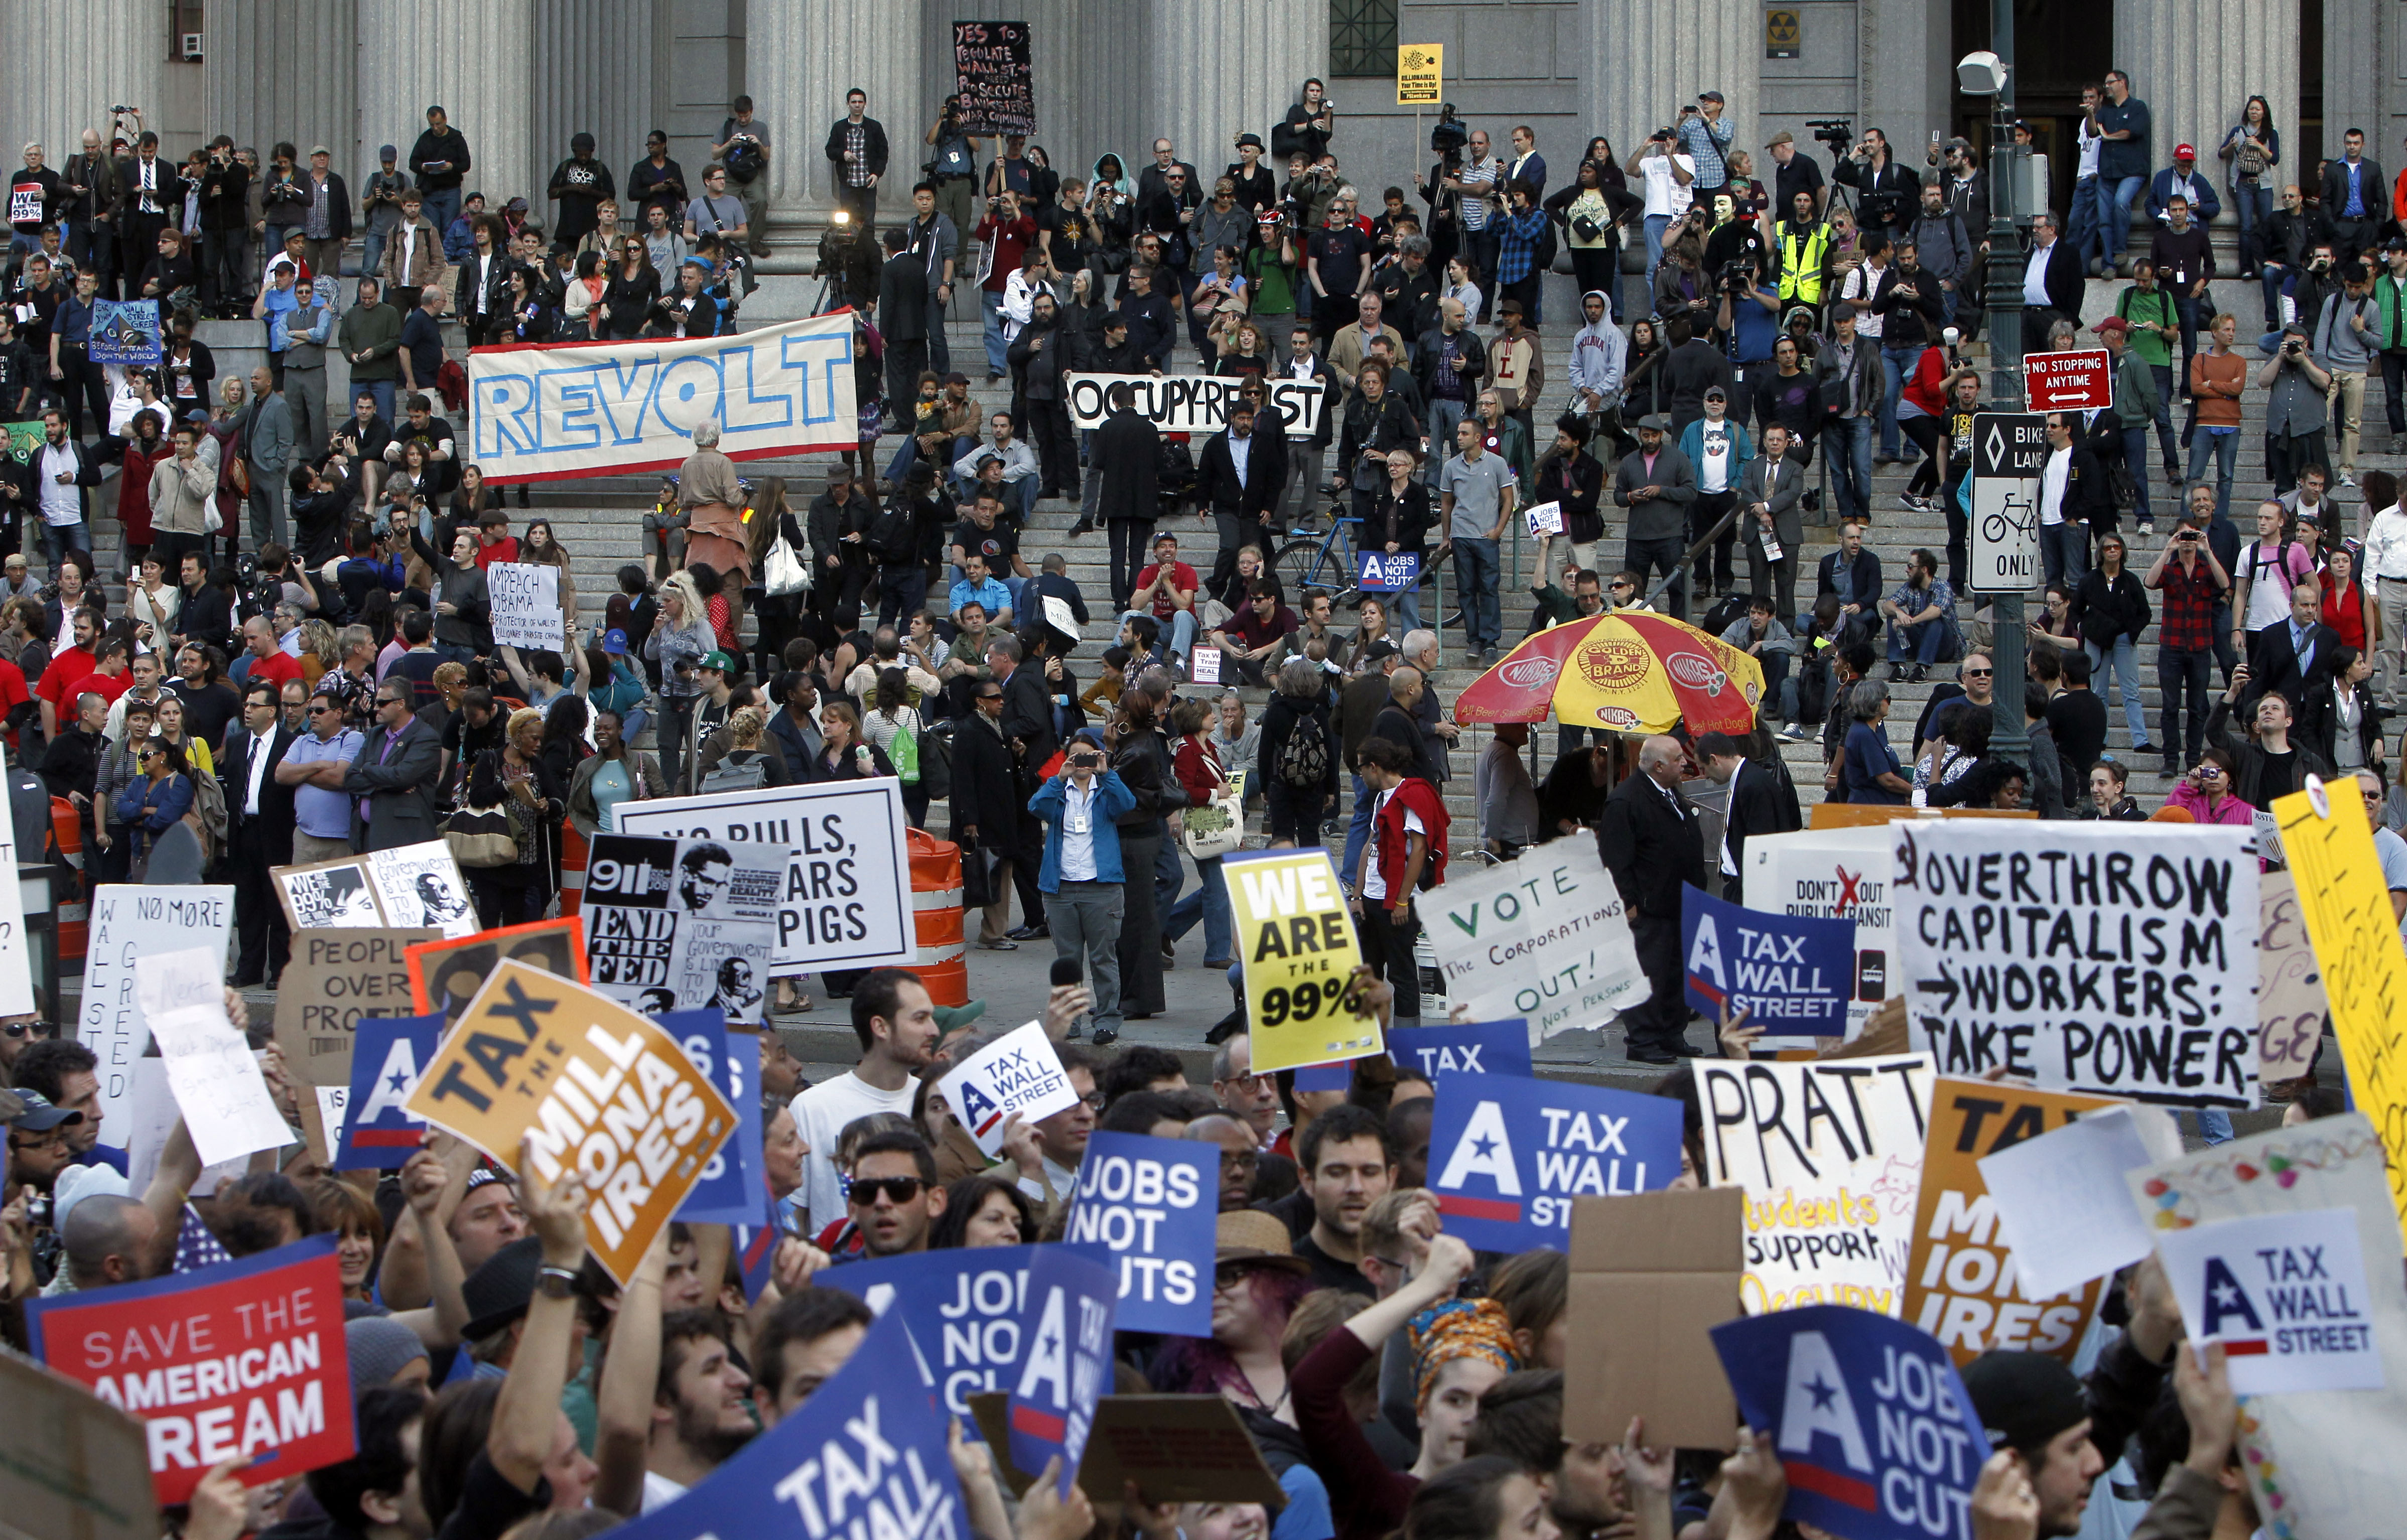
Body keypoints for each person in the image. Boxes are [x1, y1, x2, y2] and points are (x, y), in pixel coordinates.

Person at [1597, 735, 1704, 1063]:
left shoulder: (1671, 794)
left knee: (1675, 974)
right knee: (1648, 974)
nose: (1685, 762)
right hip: (1648, 907)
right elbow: (1615, 859)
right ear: (1658, 766)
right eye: (1677, 759)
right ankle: (1643, 1040)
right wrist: (1628, 904)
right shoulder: (1626, 801)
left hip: (1677, 902)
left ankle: (1671, 1034)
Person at [1030, 732, 1135, 1046]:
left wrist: (1108, 773)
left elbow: (1127, 804)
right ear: (1066, 761)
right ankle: (1071, 1021)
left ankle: (1106, 1019)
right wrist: (1056, 779)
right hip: (1060, 888)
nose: (1081, 764)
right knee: (1069, 961)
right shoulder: (1058, 792)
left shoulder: (1105, 791)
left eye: (1087, 757)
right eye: (1074, 757)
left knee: (1104, 958)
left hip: (1100, 887)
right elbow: (1036, 808)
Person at [1612, 414, 1696, 620]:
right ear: (1639, 435)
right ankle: (1631, 629)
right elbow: (1618, 496)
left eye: (1655, 436)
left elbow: (1691, 492)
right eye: (1646, 435)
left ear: (1662, 436)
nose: (1651, 440)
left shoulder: (1678, 458)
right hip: (1638, 537)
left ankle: (1680, 630)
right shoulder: (1629, 461)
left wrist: (1662, 491)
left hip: (1669, 536)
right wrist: (1631, 497)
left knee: (1678, 589)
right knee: (1632, 592)